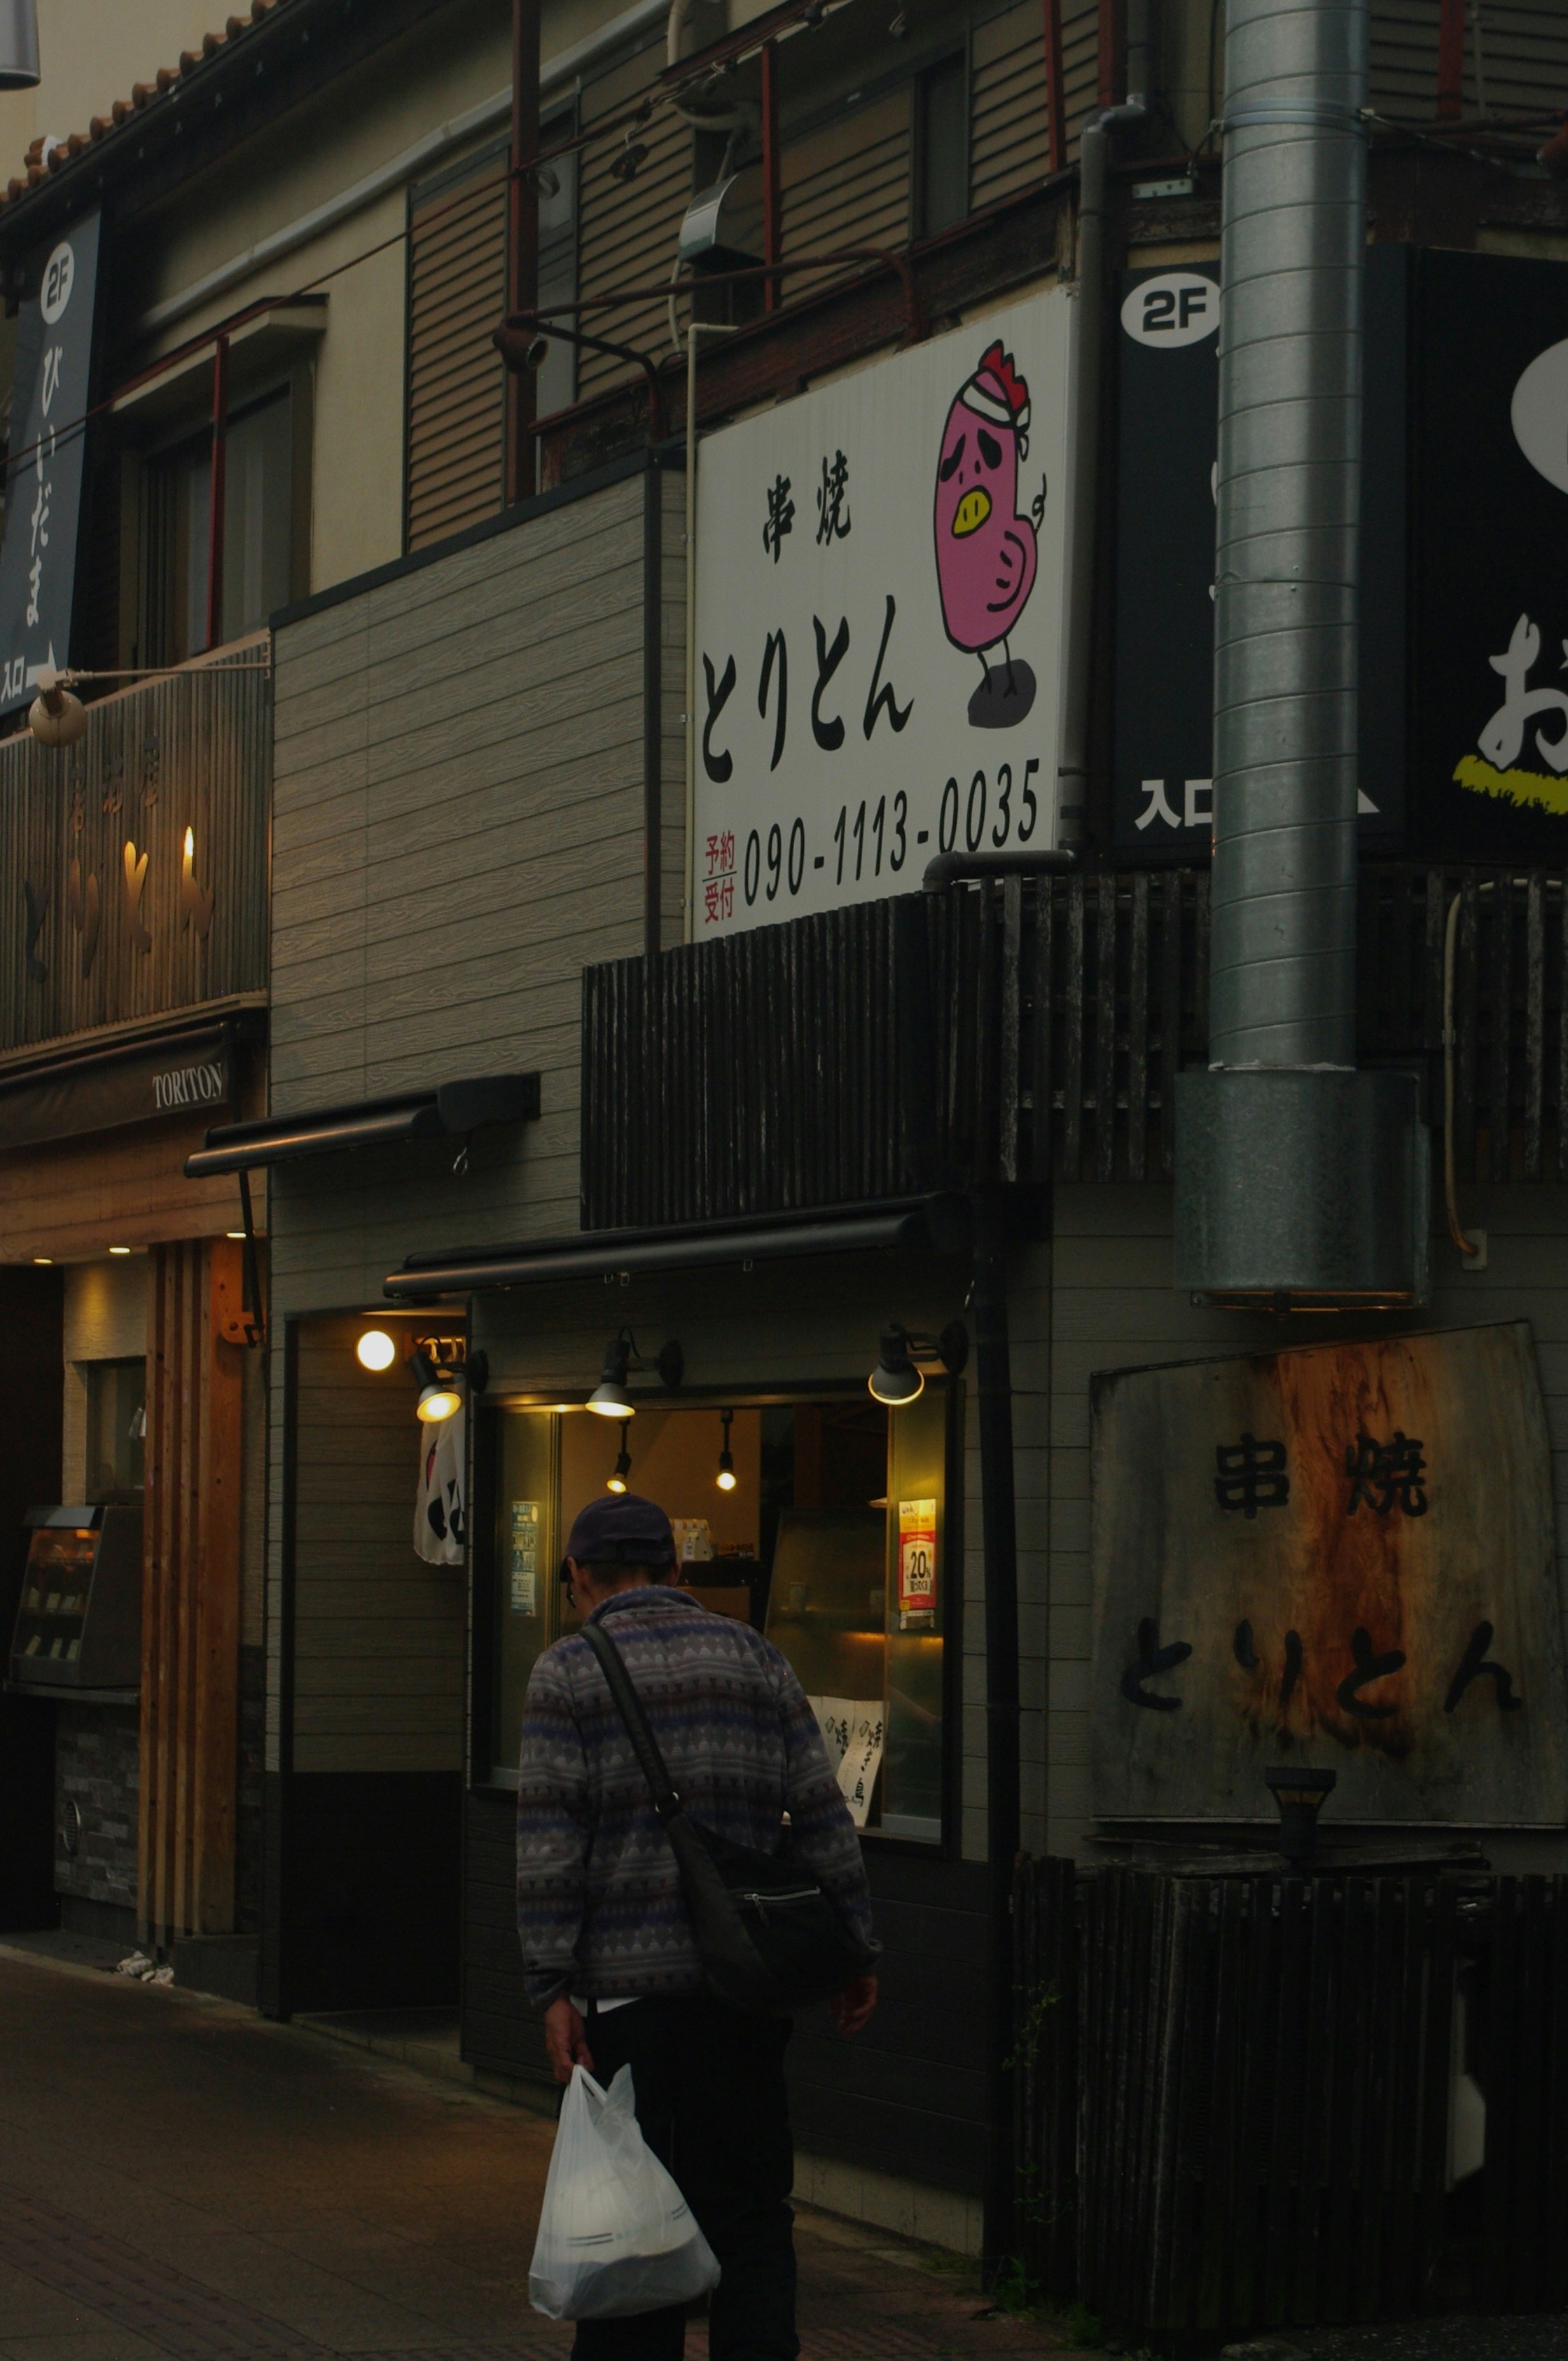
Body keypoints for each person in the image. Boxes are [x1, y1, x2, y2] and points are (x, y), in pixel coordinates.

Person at [517, 1492, 880, 2361]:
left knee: (630, 2218)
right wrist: (853, 1945)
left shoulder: (566, 1671)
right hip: (743, 1992)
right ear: (677, 1571)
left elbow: (548, 1844)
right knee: (750, 2211)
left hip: (624, 2003)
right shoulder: (756, 1658)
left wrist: (550, 1984)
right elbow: (821, 1811)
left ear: (576, 1577)